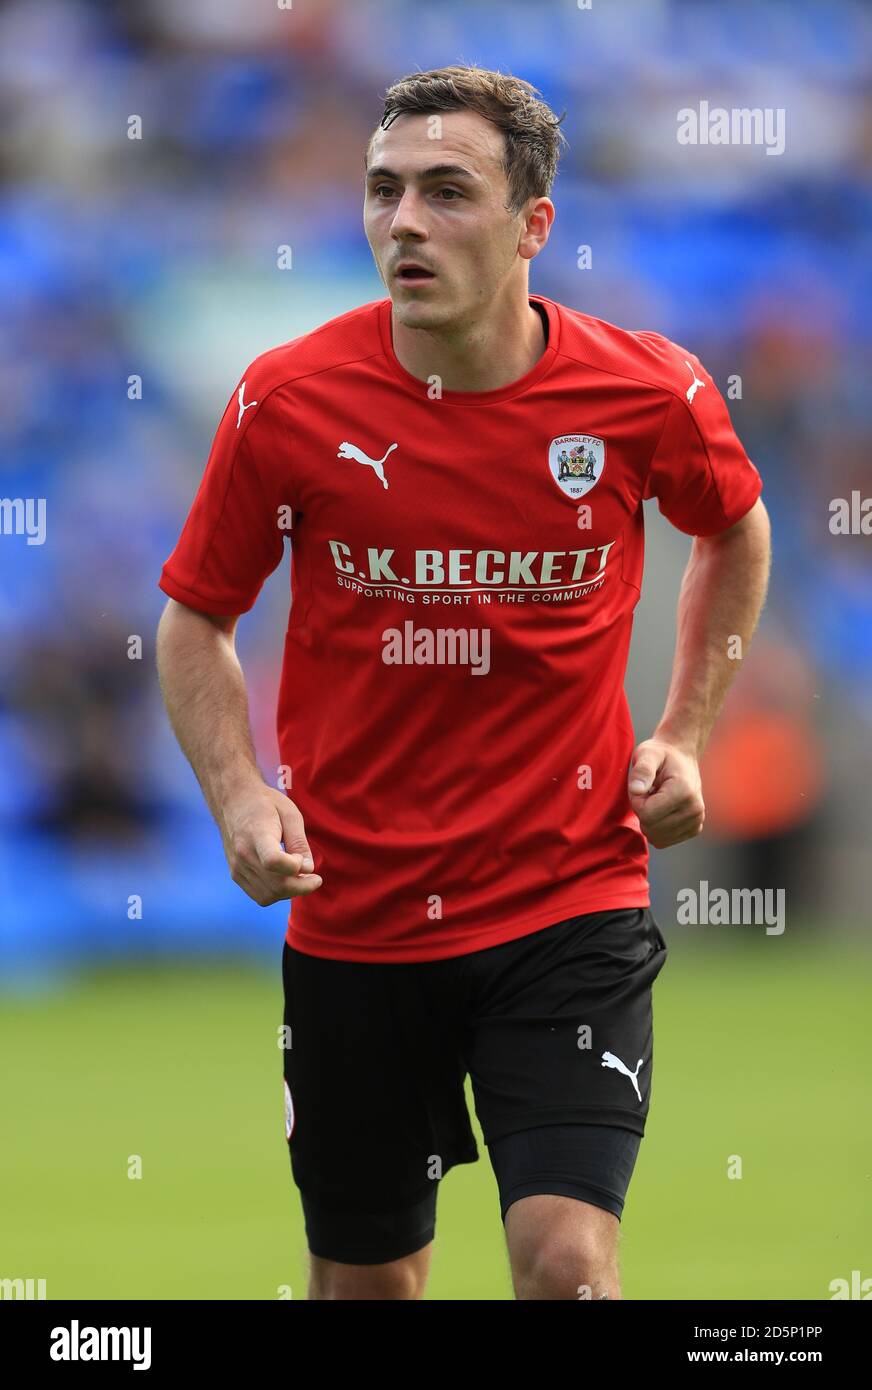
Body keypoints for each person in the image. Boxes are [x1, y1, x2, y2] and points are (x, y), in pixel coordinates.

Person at [155, 65, 771, 1300]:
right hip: (359, 914)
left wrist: (685, 731)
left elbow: (734, 527)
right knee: (366, 1287)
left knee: (566, 1268)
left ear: (532, 224)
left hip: (568, 899)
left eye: (447, 192)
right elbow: (195, 618)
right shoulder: (286, 399)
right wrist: (237, 796)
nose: (405, 224)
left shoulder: (645, 392)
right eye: (384, 192)